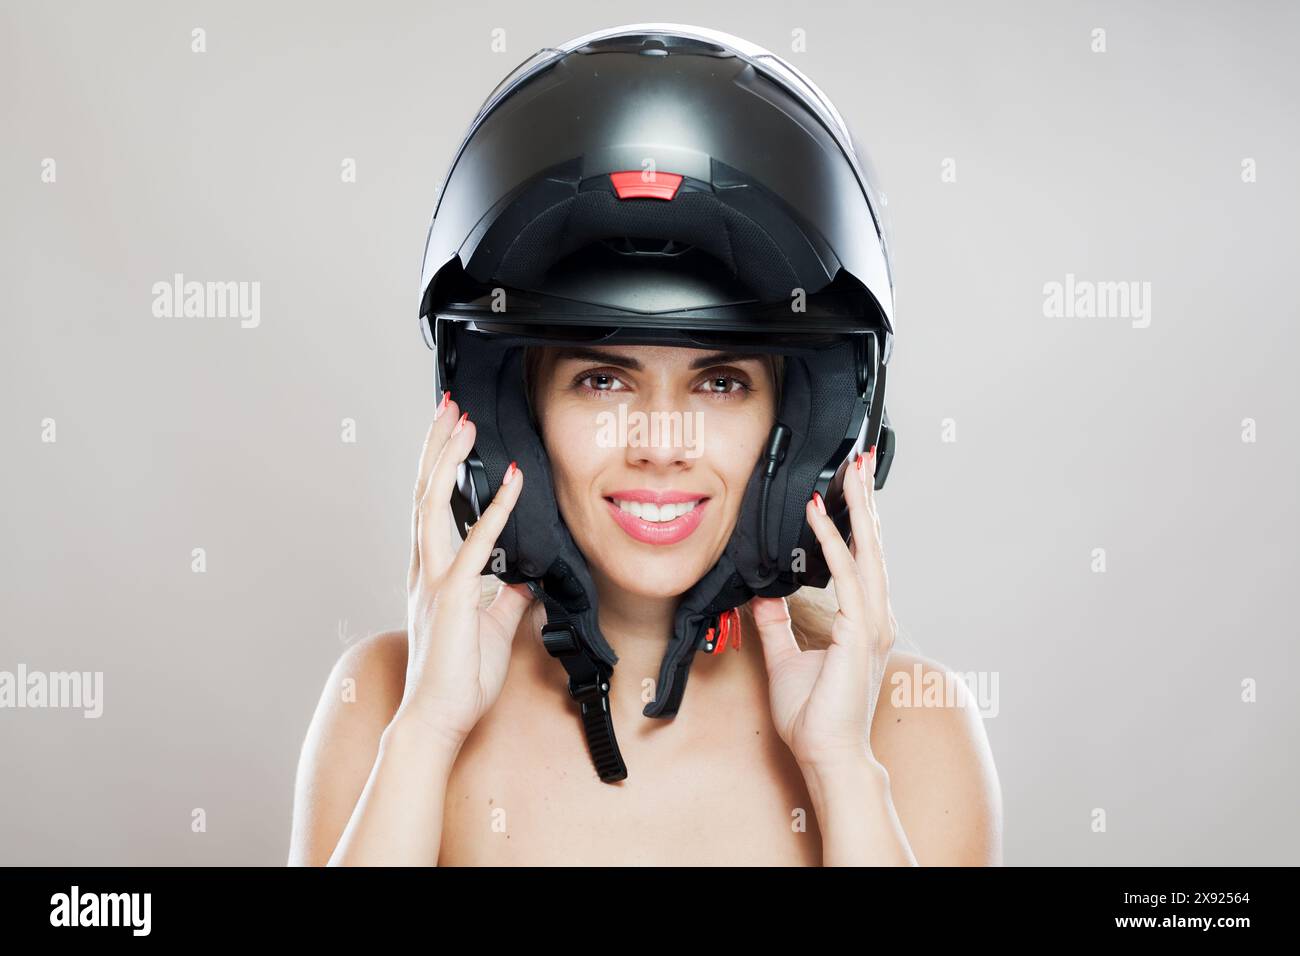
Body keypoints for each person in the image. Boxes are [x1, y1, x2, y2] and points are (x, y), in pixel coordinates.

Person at [288, 24, 1002, 865]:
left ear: (796, 423)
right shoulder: (380, 698)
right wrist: (428, 732)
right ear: (514, 411)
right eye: (602, 379)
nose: (661, 446)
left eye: (721, 382)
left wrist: (841, 769)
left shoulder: (910, 725)